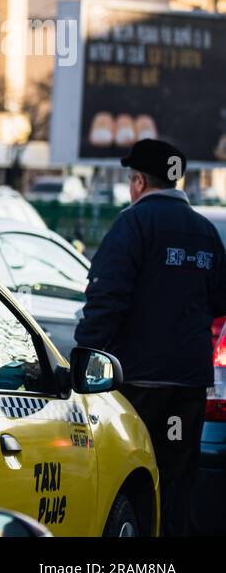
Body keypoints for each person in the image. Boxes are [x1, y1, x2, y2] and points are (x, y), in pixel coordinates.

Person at [75, 138, 226, 536]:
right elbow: (220, 298)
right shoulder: (206, 232)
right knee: (177, 478)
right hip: (189, 386)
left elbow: (107, 299)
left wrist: (85, 357)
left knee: (133, 470)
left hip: (139, 384)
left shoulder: (133, 225)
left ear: (139, 182)